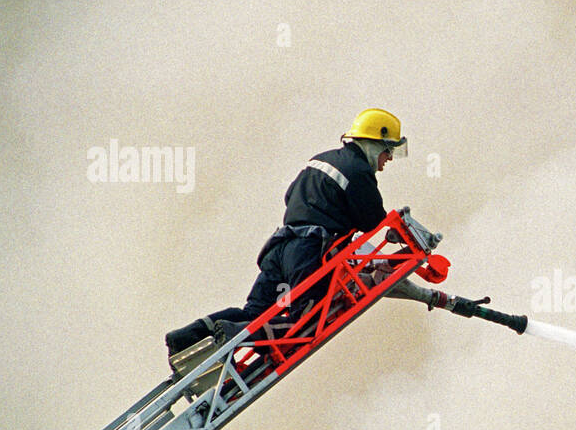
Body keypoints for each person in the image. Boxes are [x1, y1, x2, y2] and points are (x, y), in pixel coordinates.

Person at [165, 107, 408, 356]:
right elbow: (372, 221)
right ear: (374, 143)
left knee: (253, 313)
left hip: (279, 247)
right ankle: (234, 333)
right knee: (307, 324)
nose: (388, 158)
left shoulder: (320, 159)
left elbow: (289, 195)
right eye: (388, 149)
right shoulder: (358, 171)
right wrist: (397, 232)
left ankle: (187, 336)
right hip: (307, 253)